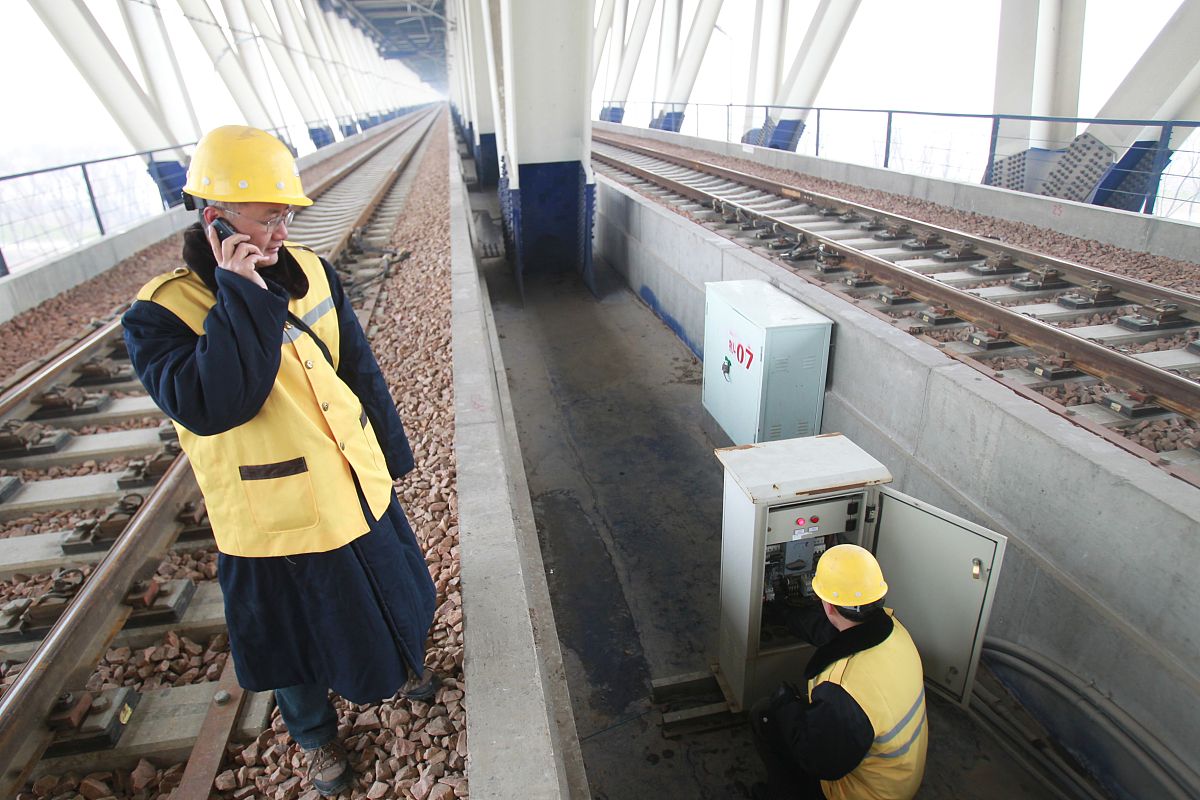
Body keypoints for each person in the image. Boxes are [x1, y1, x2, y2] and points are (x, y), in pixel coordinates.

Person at [122, 125, 437, 797]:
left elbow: (358, 368)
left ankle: (408, 668)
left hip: (352, 484)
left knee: (393, 591)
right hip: (272, 517)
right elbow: (215, 404)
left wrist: (390, 454)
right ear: (216, 222)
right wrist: (241, 295)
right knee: (291, 643)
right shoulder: (162, 312)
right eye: (269, 215)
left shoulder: (313, 271)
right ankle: (317, 739)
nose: (283, 227)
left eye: (287, 212)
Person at [751, 544, 928, 800]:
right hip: (897, 781)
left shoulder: (844, 687)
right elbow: (828, 630)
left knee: (765, 716)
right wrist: (781, 613)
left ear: (829, 606)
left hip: (862, 795)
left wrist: (786, 703)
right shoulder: (897, 634)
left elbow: (821, 762)